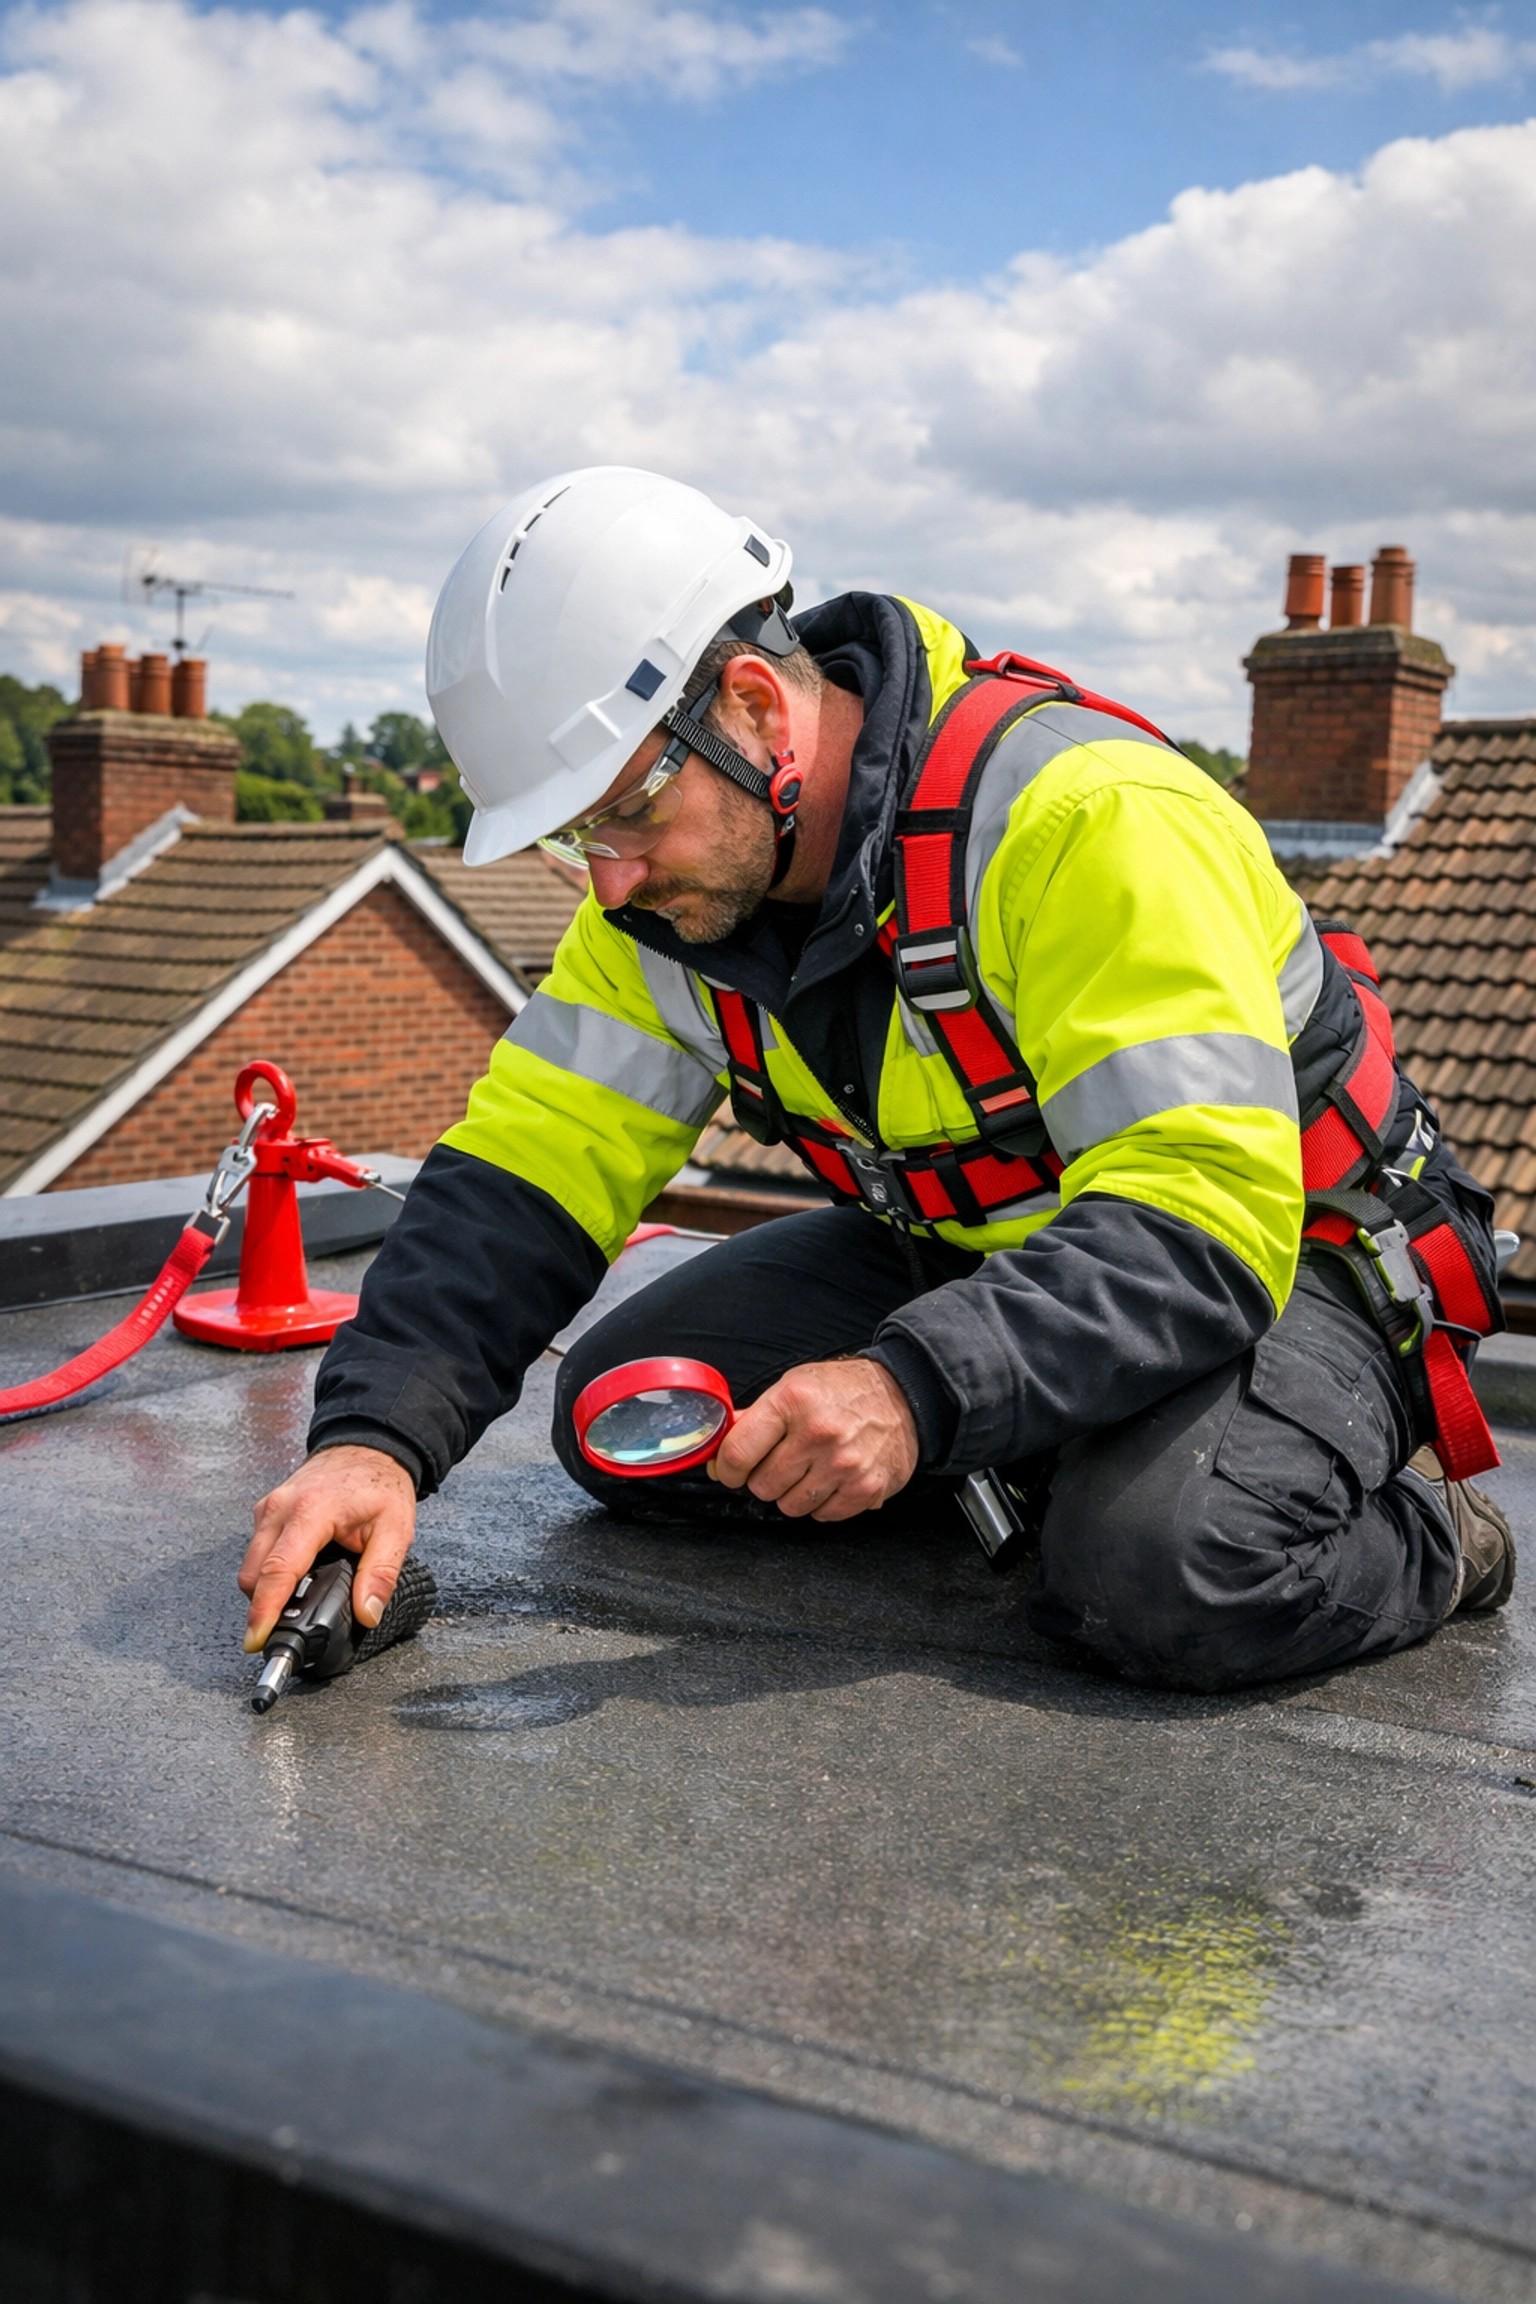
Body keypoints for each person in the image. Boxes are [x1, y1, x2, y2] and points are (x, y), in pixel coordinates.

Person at [240, 466, 1513, 1693]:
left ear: (749, 706)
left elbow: (1200, 1218)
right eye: (579, 837)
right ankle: (1054, 1453)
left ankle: (1441, 1548)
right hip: (990, 1252)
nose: (608, 877)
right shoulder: (662, 915)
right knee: (635, 1423)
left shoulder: (1083, 821)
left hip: (1301, 1253)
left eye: (622, 816)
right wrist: (376, 1439)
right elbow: (529, 1165)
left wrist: (917, 1388)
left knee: (1161, 1571)